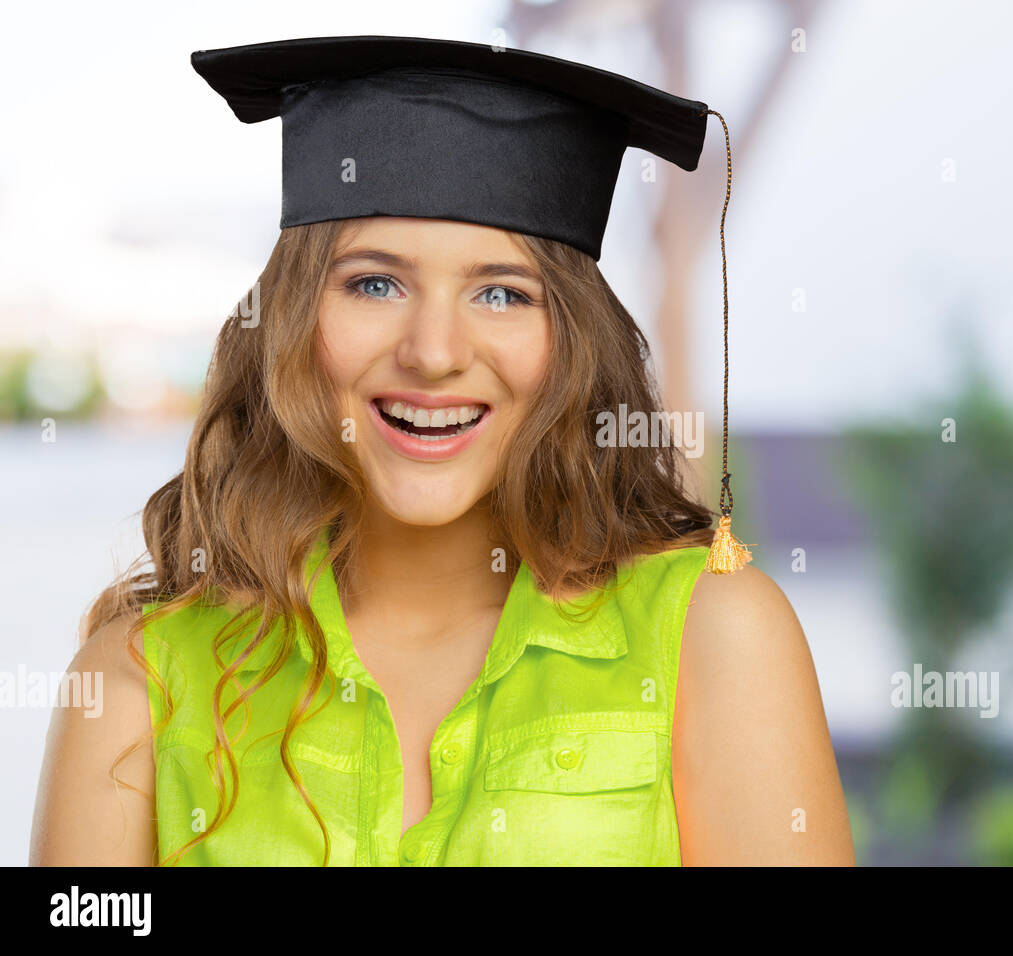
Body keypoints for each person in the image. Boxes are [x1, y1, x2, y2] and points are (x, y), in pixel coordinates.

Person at [29, 35, 855, 866]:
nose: (433, 352)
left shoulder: (712, 636)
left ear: (571, 339)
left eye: (502, 293)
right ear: (287, 320)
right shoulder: (140, 683)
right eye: (374, 283)